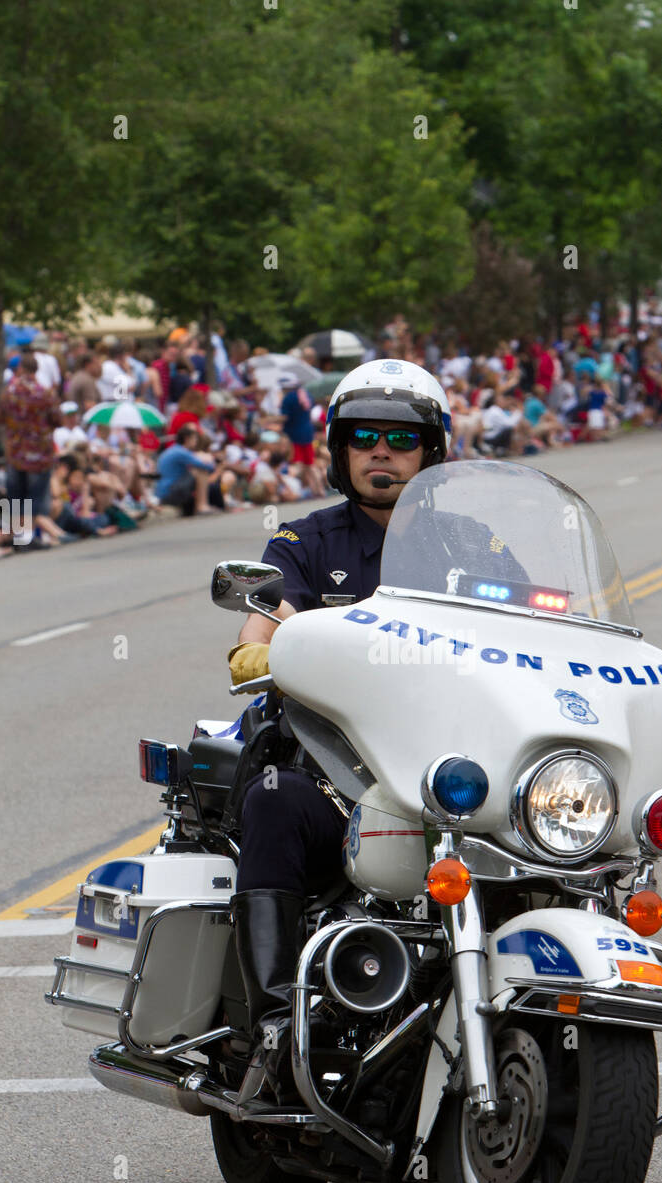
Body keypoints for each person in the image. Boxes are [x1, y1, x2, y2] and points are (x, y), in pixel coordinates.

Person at [225, 359, 453, 1093]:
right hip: (335, 778)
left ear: (431, 452)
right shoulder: (302, 543)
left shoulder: (471, 545)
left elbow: (547, 624)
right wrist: (272, 640)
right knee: (270, 799)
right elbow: (252, 642)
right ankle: (269, 1022)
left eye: (400, 437)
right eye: (363, 436)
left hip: (449, 775)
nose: (381, 450)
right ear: (340, 449)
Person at [0, 353, 62, 547]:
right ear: (37, 369)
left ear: (21, 369)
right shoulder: (45, 393)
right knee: (34, 495)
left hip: (15, 451)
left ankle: (16, 535)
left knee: (16, 494)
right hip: (39, 453)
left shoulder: (9, 393)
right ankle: (27, 536)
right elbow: (57, 420)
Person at [154, 423, 217, 514]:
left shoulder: (174, 450)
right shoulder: (181, 452)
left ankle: (199, 506)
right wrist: (210, 460)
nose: (196, 441)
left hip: (165, 492)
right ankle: (202, 506)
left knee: (195, 470)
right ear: (187, 439)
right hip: (170, 492)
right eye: (194, 438)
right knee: (200, 471)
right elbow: (208, 467)